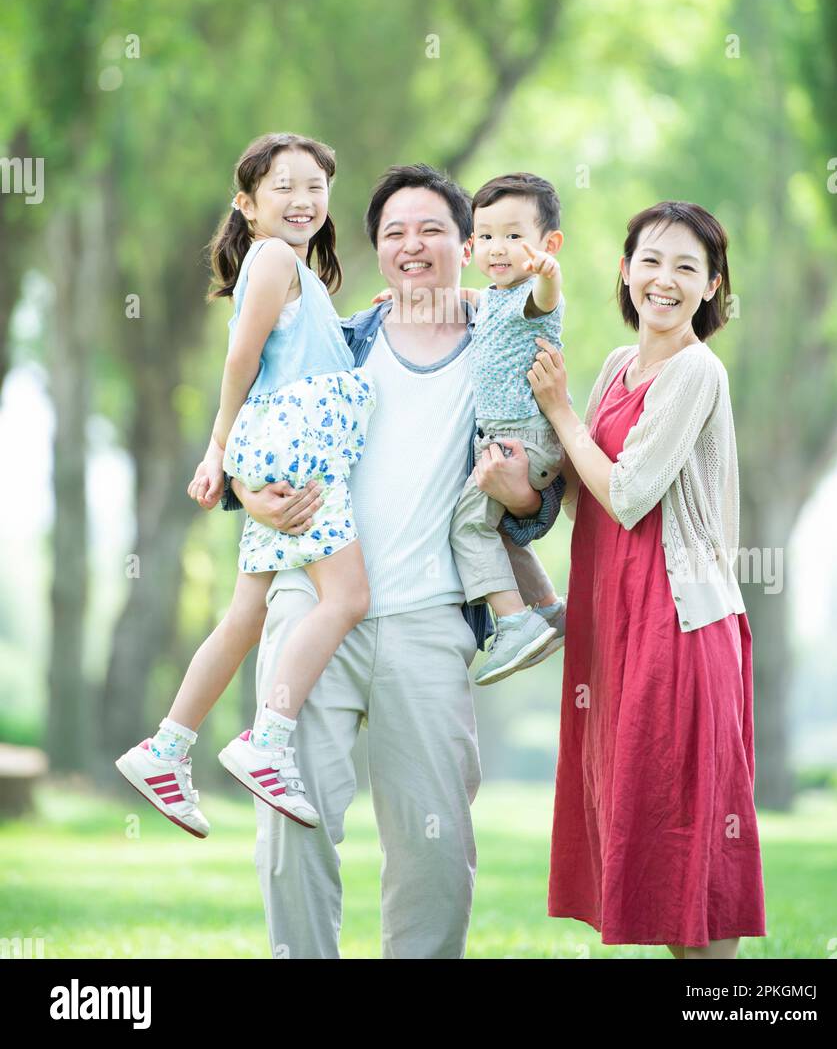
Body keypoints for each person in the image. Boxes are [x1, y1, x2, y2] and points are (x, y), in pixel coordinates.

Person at [225, 163, 566, 958]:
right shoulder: (341, 341)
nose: (412, 247)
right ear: (378, 248)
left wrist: (523, 496)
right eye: (393, 234)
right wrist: (245, 482)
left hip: (429, 627)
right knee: (289, 825)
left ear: (467, 242)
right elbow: (261, 427)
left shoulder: (505, 340)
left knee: (434, 849)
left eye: (432, 230)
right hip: (312, 613)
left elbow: (541, 486)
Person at [115, 132, 376, 836]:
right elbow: (242, 357)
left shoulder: (299, 272)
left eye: (315, 185)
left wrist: (226, 453)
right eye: (283, 186)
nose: (302, 199)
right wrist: (222, 449)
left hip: (283, 443)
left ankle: (166, 747)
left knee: (246, 615)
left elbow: (292, 353)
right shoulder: (269, 258)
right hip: (293, 444)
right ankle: (269, 738)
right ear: (248, 205)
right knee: (347, 596)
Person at [531, 200, 766, 959]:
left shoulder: (696, 370)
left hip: (678, 627)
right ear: (624, 272)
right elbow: (583, 499)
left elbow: (628, 495)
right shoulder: (613, 368)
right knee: (656, 856)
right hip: (615, 630)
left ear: (710, 287)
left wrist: (561, 413)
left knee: (688, 860)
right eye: (650, 261)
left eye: (686, 268)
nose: (663, 280)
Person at [448, 173, 569, 684]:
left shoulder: (532, 297)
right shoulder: (496, 296)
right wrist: (406, 298)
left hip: (520, 442)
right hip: (516, 440)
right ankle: (547, 609)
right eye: (487, 236)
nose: (499, 249)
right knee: (498, 529)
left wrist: (548, 273)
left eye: (514, 236)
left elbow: (544, 296)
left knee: (466, 526)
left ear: (547, 244)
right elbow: (479, 301)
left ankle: (514, 621)